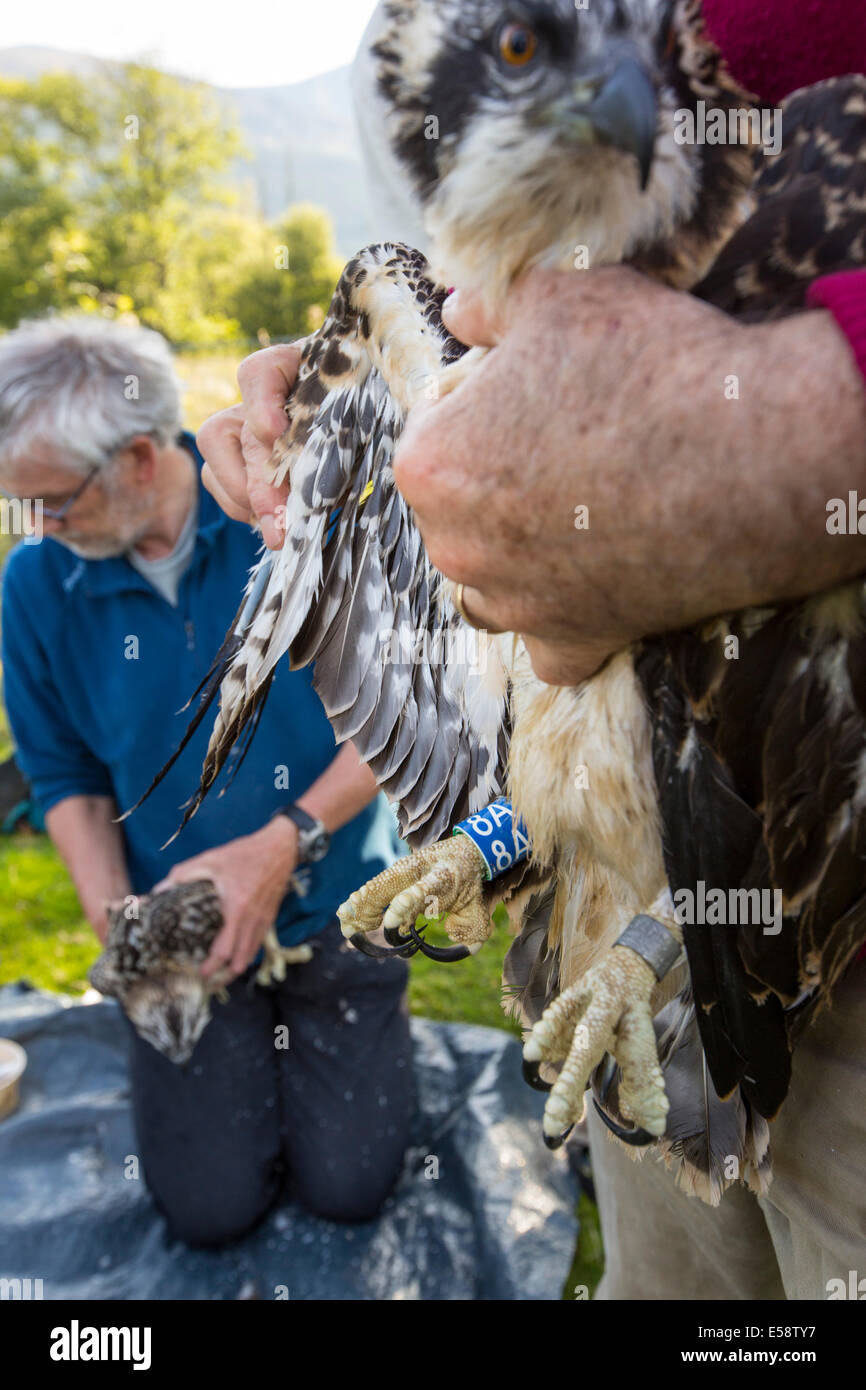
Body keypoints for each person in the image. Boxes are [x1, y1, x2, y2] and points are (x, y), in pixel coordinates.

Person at [195, 0, 866, 1297]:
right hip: (625, 968)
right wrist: (380, 402)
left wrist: (822, 403)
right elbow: (576, 729)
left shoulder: (807, 169)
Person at [0, 316, 413, 1247]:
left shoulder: (301, 511)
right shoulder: (36, 584)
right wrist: (122, 925)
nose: (36, 528)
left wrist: (280, 847)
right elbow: (62, 772)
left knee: (350, 1184)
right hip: (184, 924)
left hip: (339, 899)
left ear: (141, 458)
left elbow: (395, 715)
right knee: (209, 1208)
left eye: (52, 502)